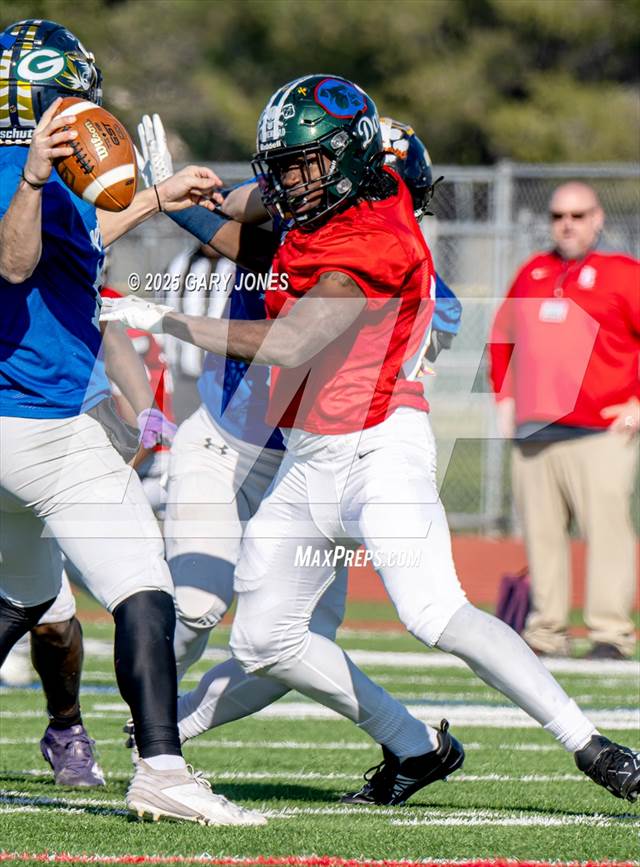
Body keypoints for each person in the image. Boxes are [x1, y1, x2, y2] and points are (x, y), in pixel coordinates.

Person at [103, 75, 640, 806]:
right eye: (284, 166)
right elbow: (248, 217)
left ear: (352, 164)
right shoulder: (339, 198)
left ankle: (591, 743)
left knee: (433, 612)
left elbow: (290, 343)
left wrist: (160, 316)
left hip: (378, 450)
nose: (288, 183)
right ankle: (415, 747)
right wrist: (176, 195)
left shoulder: (377, 241)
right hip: (309, 459)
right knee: (264, 640)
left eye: (303, 166)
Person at [0, 18, 263, 825]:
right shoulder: (20, 172)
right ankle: (162, 770)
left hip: (14, 431)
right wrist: (35, 177)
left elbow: (71, 242)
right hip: (40, 423)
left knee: (21, 597)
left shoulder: (34, 178)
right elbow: (14, 260)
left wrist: (154, 197)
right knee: (143, 586)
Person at [489, 182, 639, 660]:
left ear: (598, 219)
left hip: (601, 432)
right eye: (558, 216)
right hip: (536, 431)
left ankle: (610, 634)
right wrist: (504, 397)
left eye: (578, 215)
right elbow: (502, 336)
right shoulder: (532, 272)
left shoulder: (623, 274)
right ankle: (546, 633)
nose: (567, 225)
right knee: (542, 539)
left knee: (608, 535)